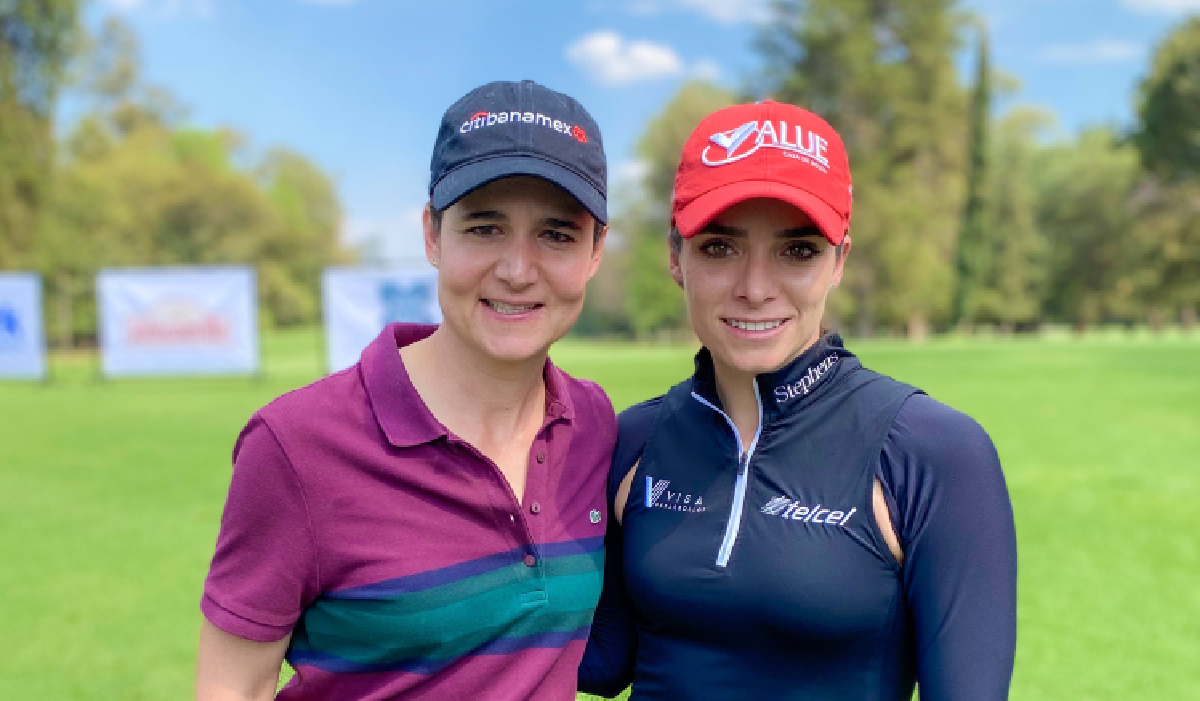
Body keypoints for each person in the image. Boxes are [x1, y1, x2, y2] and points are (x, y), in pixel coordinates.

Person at [578, 101, 1018, 700]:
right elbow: (601, 662)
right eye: (719, 248)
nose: (756, 289)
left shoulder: (935, 454)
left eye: (799, 251)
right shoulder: (630, 441)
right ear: (675, 258)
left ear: (839, 261)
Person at [196, 80, 617, 701]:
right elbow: (233, 687)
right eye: (484, 228)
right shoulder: (295, 445)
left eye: (556, 235)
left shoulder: (595, 423)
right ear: (432, 235)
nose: (517, 270)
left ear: (596, 251)